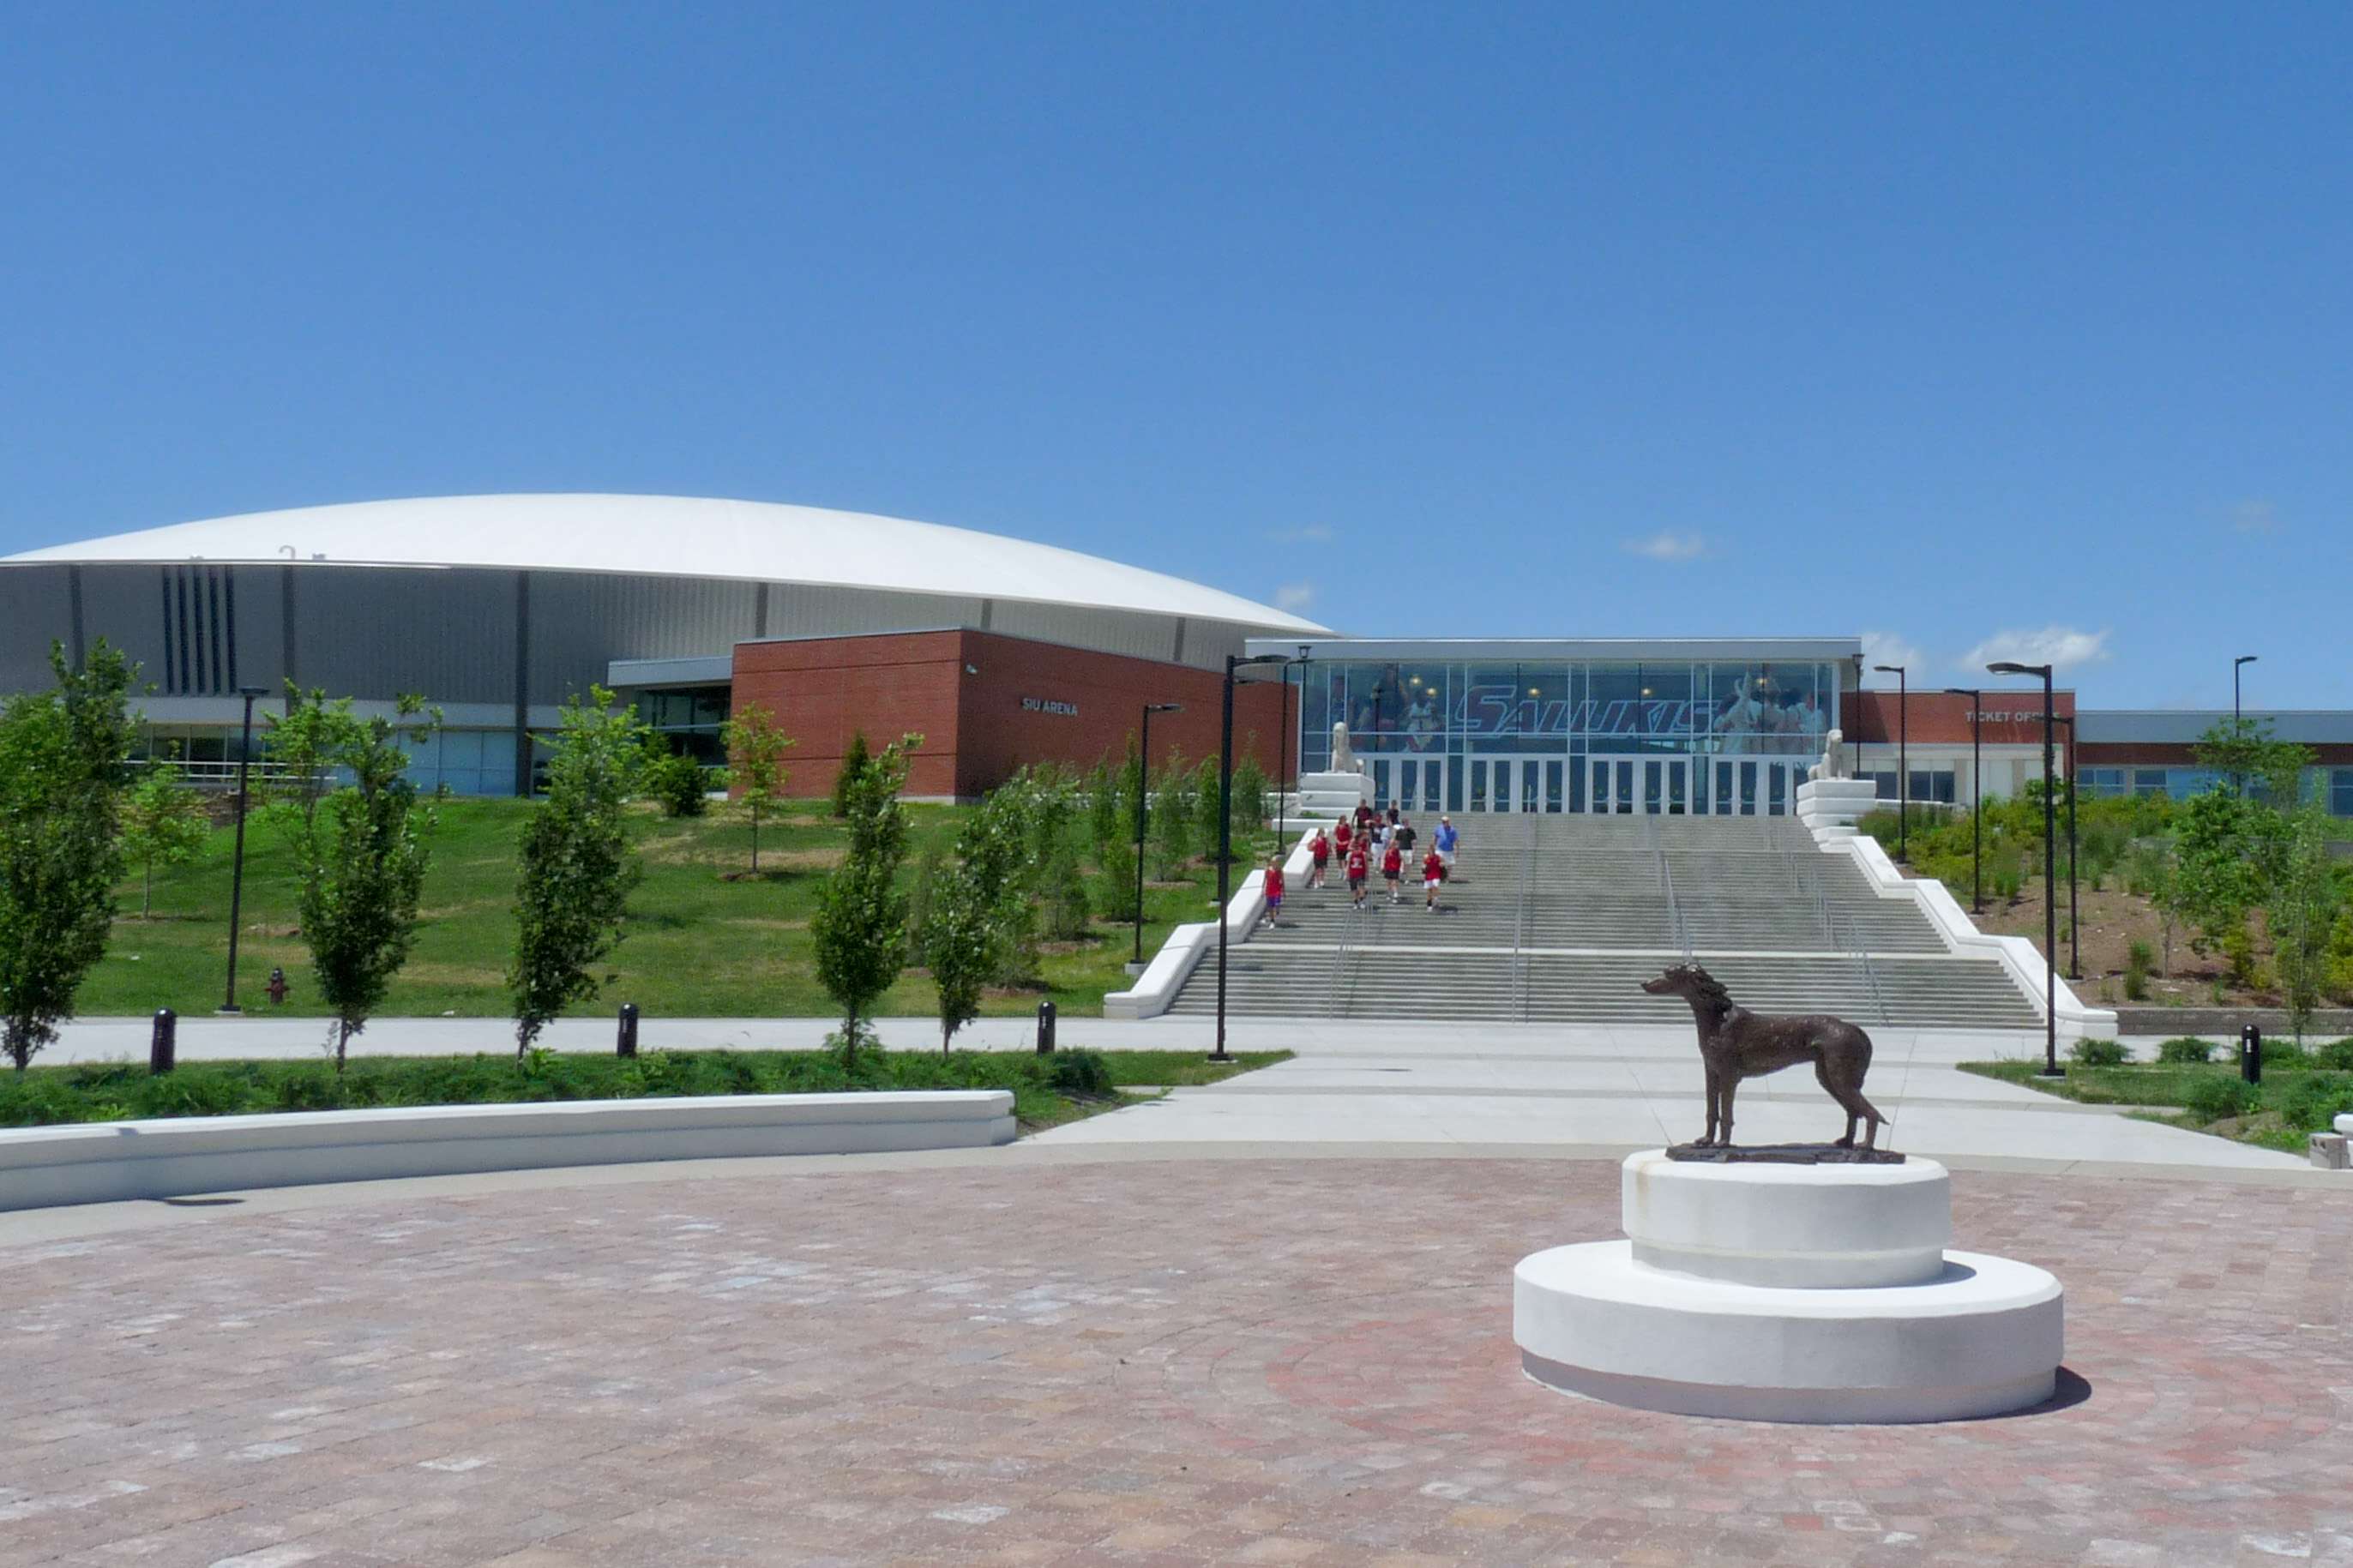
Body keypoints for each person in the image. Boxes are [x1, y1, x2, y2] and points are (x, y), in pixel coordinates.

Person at [1261, 855, 1285, 929]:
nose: (1275, 863)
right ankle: (1272, 921)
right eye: (1273, 862)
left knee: (1277, 904)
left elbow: (1282, 881)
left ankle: (1277, 910)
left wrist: (1284, 890)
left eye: (1276, 862)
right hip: (1269, 890)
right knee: (1270, 907)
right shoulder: (1268, 870)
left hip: (1277, 890)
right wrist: (1262, 889)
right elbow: (1265, 880)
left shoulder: (1279, 871)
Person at [1345, 838, 1370, 910]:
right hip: (1353, 874)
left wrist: (1367, 874)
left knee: (1361, 888)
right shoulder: (1350, 855)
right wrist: (1347, 874)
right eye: (1355, 847)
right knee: (1354, 890)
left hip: (1361, 874)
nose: (1357, 849)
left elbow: (1366, 864)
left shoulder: (1363, 854)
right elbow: (1348, 865)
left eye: (1358, 847)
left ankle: (1362, 901)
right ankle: (1356, 902)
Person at [1423, 844, 1446, 911]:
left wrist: (1442, 864)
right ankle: (1429, 905)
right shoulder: (1426, 857)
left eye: (1432, 850)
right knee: (1429, 891)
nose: (1431, 852)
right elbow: (1423, 866)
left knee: (1435, 886)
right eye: (1430, 850)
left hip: (1436, 875)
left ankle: (1436, 899)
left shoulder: (1437, 857)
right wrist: (1423, 867)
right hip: (1428, 876)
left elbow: (1443, 862)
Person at [1381, 836, 1404, 904]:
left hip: (1395, 868)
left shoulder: (1397, 851)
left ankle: (1395, 894)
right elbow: (1383, 858)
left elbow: (1402, 859)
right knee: (1389, 882)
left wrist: (1401, 868)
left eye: (1394, 844)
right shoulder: (1387, 851)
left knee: (1395, 882)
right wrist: (1382, 866)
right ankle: (1389, 893)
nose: (1393, 845)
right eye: (1392, 843)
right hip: (1388, 868)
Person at [1435, 814, 1458, 879]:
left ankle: (1448, 877)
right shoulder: (1438, 828)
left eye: (1445, 821)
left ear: (1448, 822)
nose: (1444, 823)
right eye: (1443, 821)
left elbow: (1456, 840)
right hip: (1440, 849)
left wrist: (1457, 850)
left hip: (1449, 849)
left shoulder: (1452, 830)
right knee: (1437, 862)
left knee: (1449, 864)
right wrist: (1433, 846)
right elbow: (1435, 838)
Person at [1307, 826, 1330, 890]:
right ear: (1319, 833)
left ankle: (1321, 880)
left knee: (1322, 868)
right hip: (1317, 856)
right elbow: (1309, 845)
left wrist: (1329, 849)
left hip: (1324, 856)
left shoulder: (1326, 839)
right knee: (1317, 869)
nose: (1323, 834)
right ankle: (1316, 882)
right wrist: (1311, 848)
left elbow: (1329, 845)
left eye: (1323, 833)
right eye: (1322, 833)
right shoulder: (1315, 839)